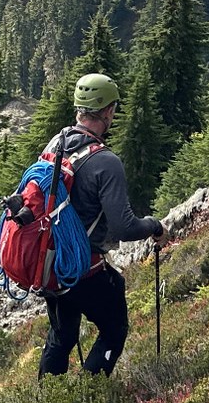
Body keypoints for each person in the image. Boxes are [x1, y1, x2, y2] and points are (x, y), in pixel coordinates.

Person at [37, 73, 167, 377]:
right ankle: (88, 396)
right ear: (108, 111)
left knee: (62, 337)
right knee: (114, 328)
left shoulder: (57, 143)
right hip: (83, 267)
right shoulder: (106, 162)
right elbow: (124, 228)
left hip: (49, 262)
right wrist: (154, 226)